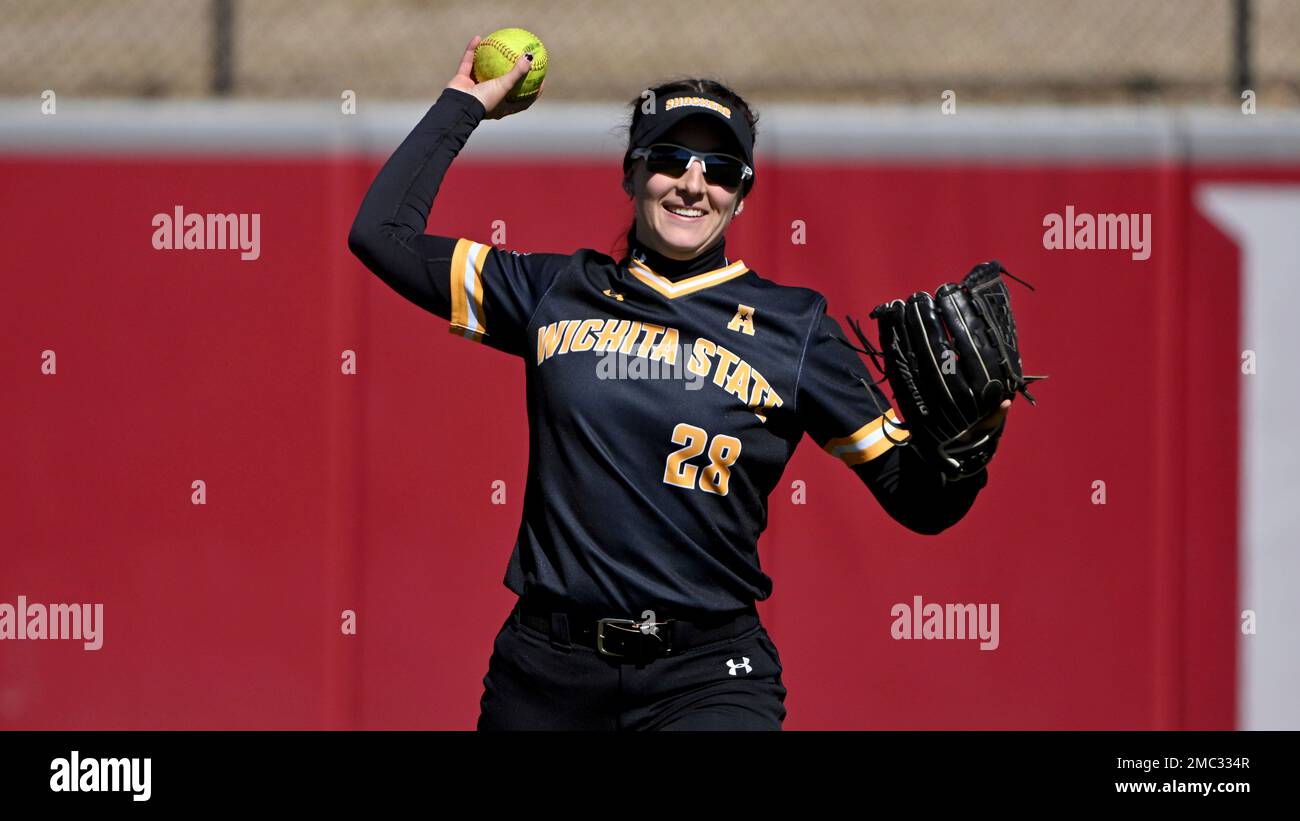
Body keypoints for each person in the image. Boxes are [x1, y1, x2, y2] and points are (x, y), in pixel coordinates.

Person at [347, 35, 1011, 731]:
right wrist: (466, 105)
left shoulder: (797, 328)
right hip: (545, 675)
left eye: (721, 168)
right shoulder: (556, 290)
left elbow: (919, 502)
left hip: (705, 679)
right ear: (632, 175)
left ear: (742, 196)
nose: (694, 183)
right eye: (669, 159)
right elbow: (381, 234)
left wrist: (968, 451)